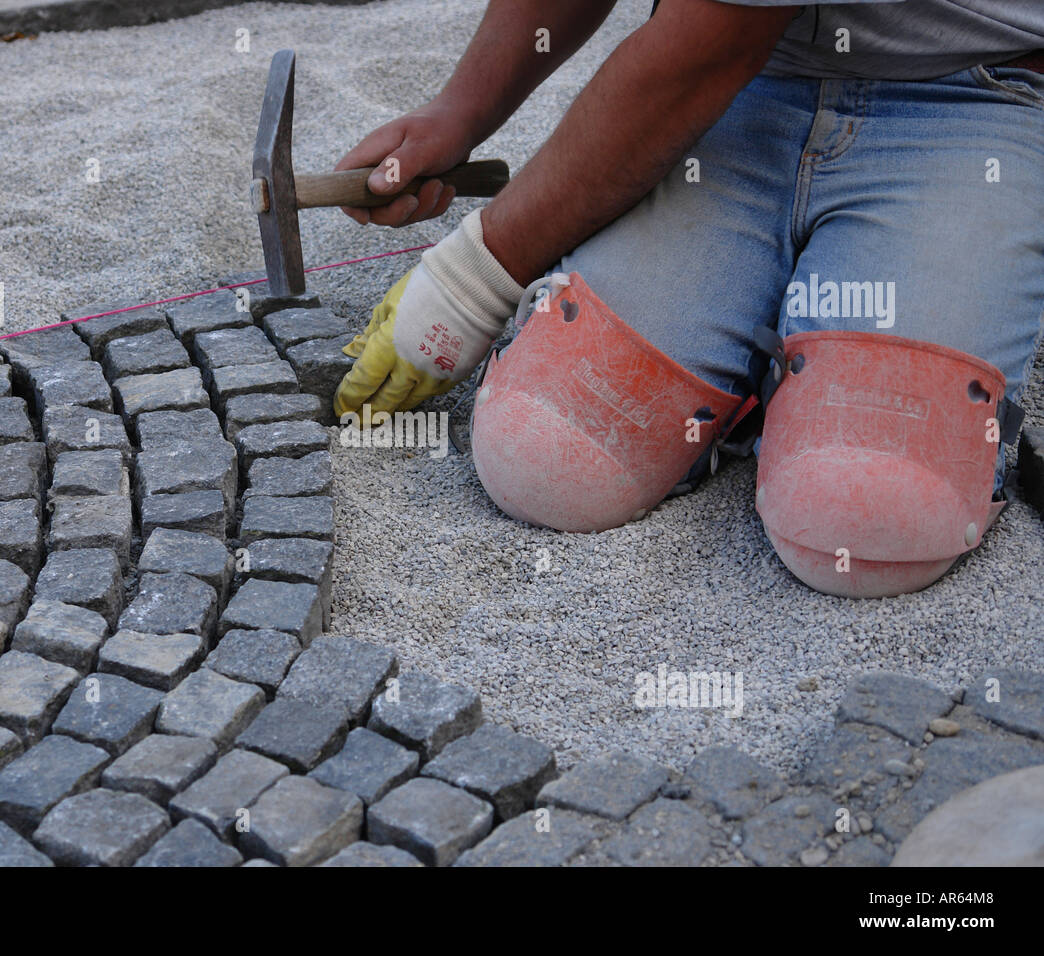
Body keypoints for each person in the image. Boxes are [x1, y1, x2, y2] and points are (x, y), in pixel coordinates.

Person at [331, 0, 1044, 598]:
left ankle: (790, 374)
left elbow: (715, 39)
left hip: (972, 94)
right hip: (744, 95)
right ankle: (767, 381)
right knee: (545, 457)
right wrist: (462, 109)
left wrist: (473, 280)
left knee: (866, 520)